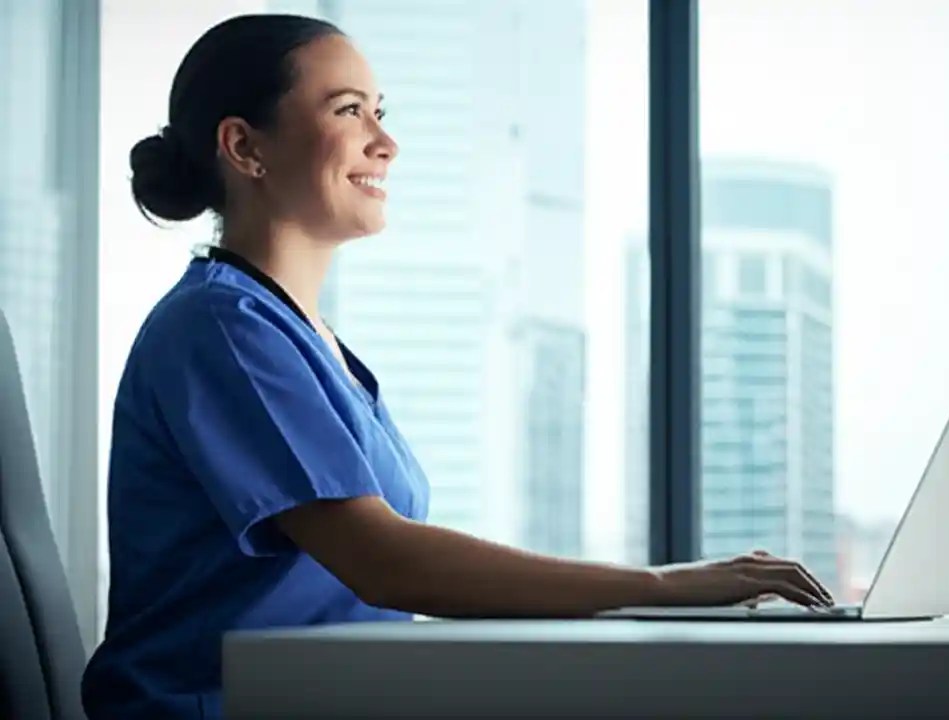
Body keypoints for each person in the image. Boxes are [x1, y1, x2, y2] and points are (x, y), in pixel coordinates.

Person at [80, 13, 834, 720]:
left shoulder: (298, 338)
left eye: (382, 111)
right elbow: (386, 563)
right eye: (348, 111)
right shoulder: (222, 328)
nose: (386, 142)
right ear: (245, 148)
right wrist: (661, 586)